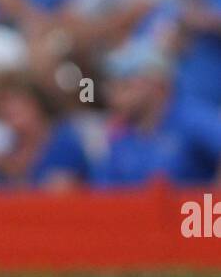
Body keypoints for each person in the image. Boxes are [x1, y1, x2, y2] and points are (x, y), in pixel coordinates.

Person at [94, 41, 221, 187]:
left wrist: (213, 202)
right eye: (113, 86)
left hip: (191, 208)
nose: (115, 96)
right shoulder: (119, 134)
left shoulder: (192, 118)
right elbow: (105, 192)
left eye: (125, 85)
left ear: (157, 84)